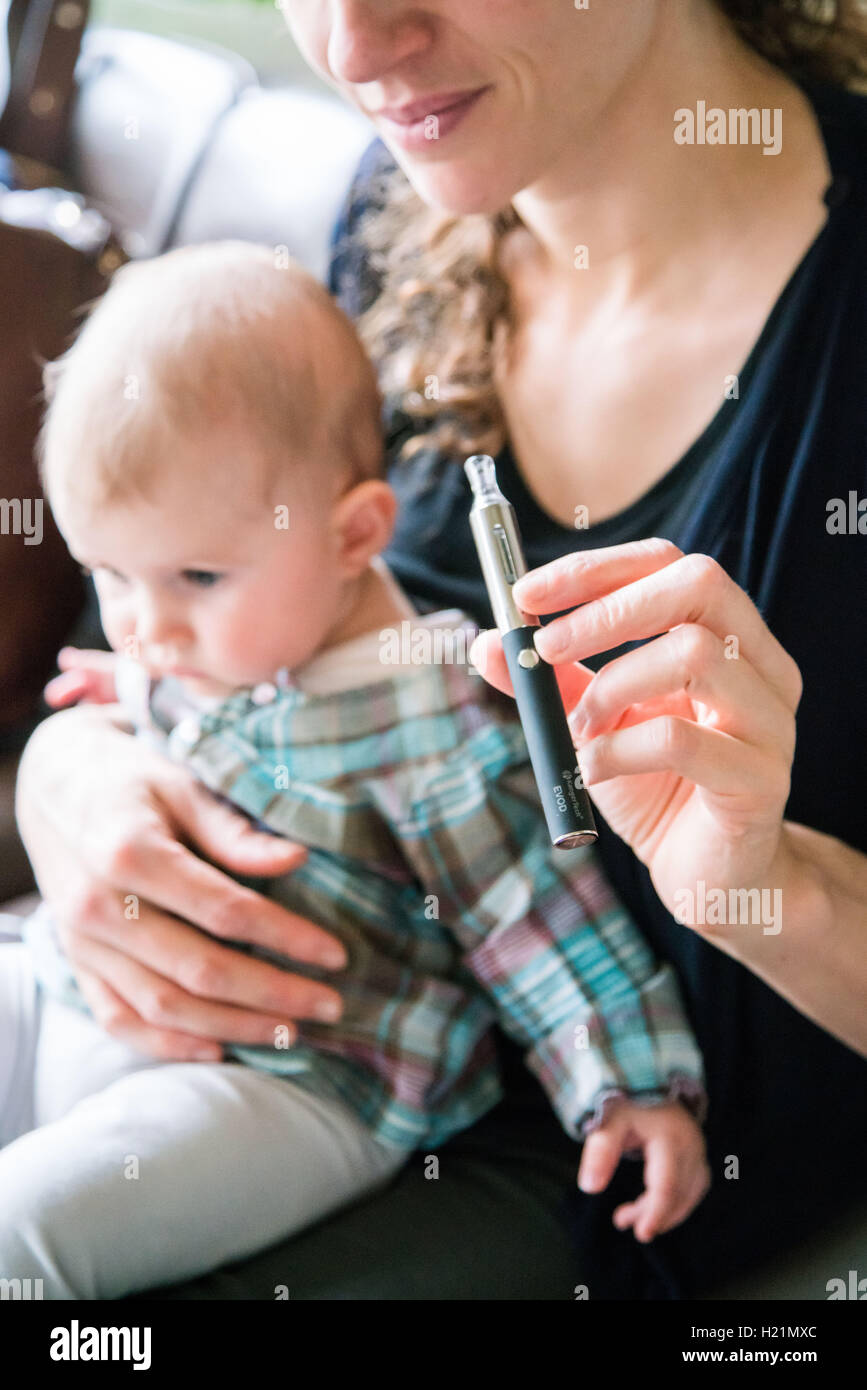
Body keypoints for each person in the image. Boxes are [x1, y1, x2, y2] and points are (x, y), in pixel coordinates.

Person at [12, 0, 867, 1299]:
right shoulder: (402, 203)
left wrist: (769, 885)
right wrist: (70, 776)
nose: (353, 47)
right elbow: (217, 618)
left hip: (575, 1181)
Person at [0, 239, 712, 1298]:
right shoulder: (230, 626)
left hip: (306, 1081)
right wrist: (122, 697)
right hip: (83, 984)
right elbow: (174, 675)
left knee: (26, 1235)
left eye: (193, 575)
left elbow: (531, 916)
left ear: (353, 535)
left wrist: (631, 1087)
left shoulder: (431, 724)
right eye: (110, 572)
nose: (146, 625)